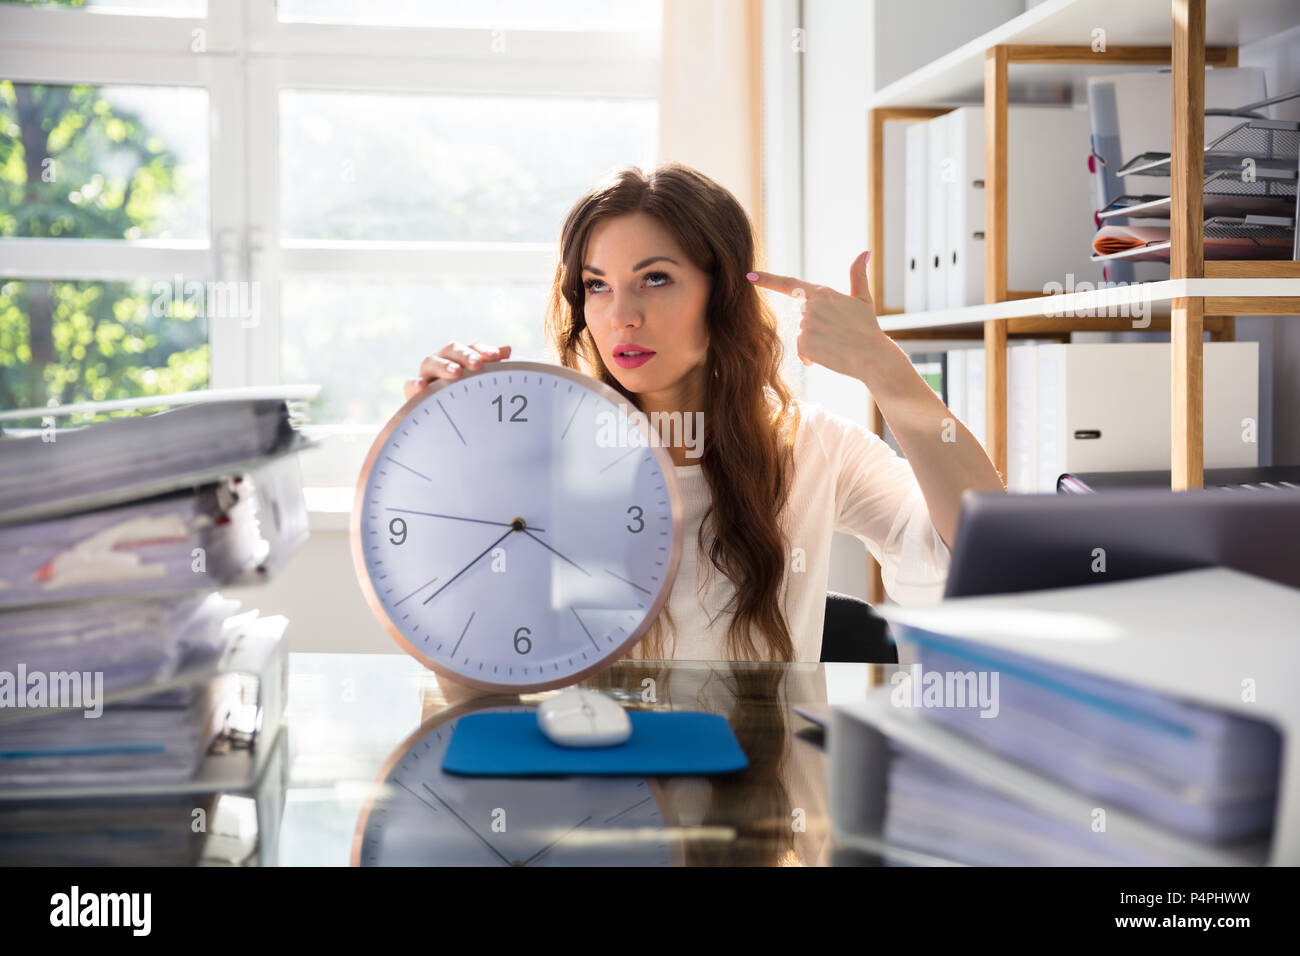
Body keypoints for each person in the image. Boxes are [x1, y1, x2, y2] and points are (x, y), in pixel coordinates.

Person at [406, 162, 1004, 664]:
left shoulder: (812, 447)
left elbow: (978, 562)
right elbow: (467, 652)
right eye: (597, 286)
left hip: (765, 791)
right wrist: (437, 450)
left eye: (655, 279)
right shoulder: (544, 447)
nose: (622, 316)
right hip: (600, 788)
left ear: (722, 295)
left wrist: (885, 368)